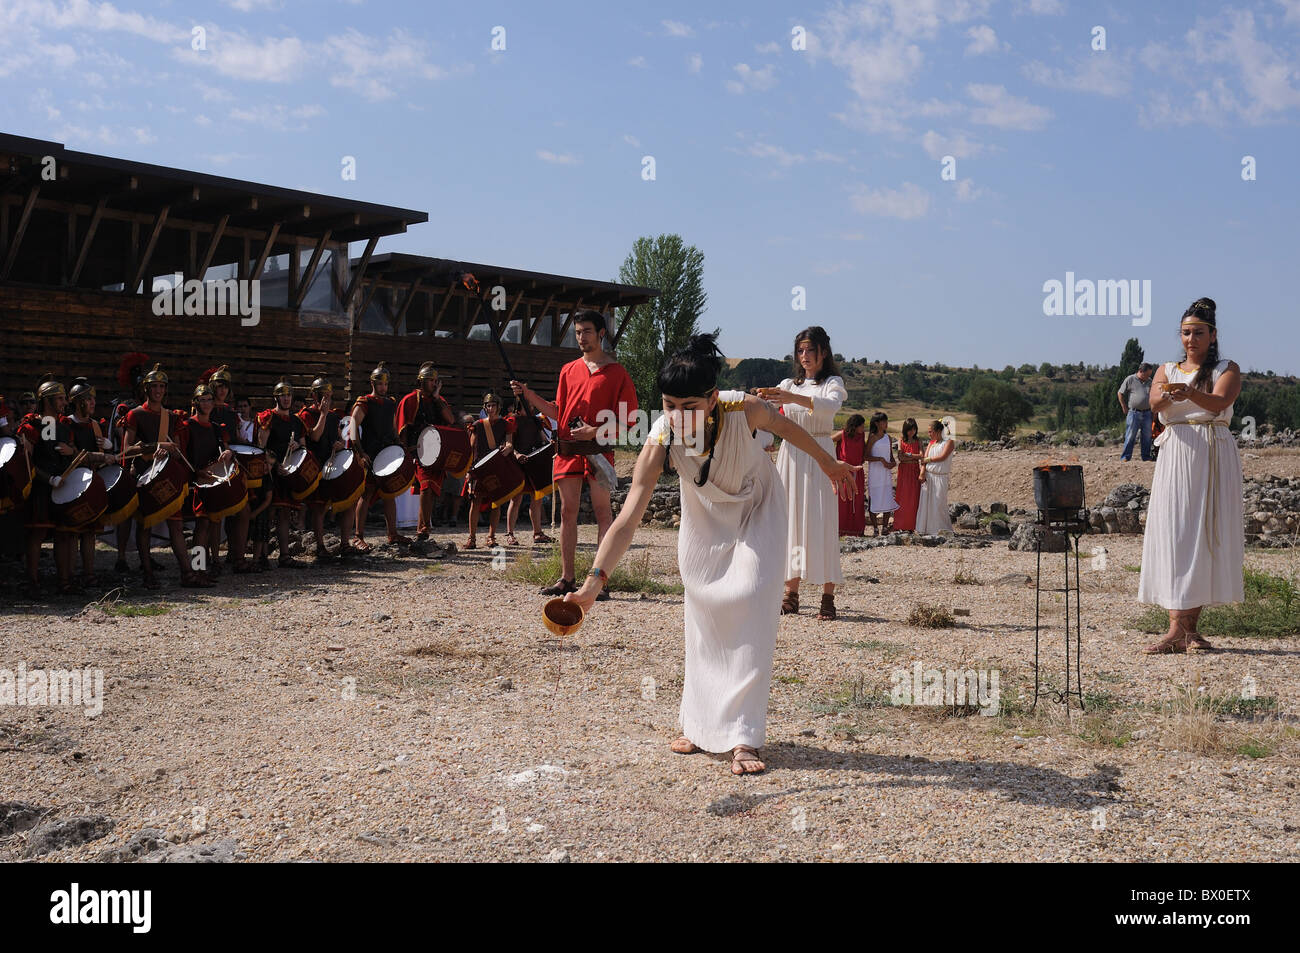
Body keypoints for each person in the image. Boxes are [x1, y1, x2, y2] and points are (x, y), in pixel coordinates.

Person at [566, 334, 856, 775]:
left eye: (689, 406)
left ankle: (743, 736)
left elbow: (788, 429)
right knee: (702, 614)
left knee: (755, 601)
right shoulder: (661, 436)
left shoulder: (744, 408)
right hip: (703, 518)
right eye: (668, 404)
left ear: (713, 398)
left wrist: (827, 463)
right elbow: (627, 519)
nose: (677, 416)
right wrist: (592, 584)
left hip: (758, 507)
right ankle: (699, 726)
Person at [1138, 298, 1243, 654]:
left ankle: (1190, 630)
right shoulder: (1167, 369)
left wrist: (1191, 394)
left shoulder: (1227, 367)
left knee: (1204, 532)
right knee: (1175, 533)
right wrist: (1173, 395)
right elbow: (1153, 403)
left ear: (1213, 335)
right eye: (1186, 332)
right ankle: (1175, 630)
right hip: (1177, 451)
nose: (1191, 339)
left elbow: (1219, 402)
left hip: (1212, 450)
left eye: (1199, 332)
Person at [510, 310, 638, 599]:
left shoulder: (616, 372)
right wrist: (528, 395)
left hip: (599, 451)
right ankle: (567, 579)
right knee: (568, 513)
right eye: (578, 332)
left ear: (601, 334)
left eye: (587, 331)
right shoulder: (568, 370)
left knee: (604, 514)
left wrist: (596, 430)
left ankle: (599, 582)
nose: (581, 337)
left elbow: (630, 418)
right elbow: (559, 412)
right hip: (568, 451)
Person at [755, 326, 847, 621]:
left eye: (810, 350)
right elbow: (771, 413)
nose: (804, 356)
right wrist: (764, 398)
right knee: (790, 520)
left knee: (822, 519)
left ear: (823, 352)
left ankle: (828, 596)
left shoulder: (832, 382)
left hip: (819, 453)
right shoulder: (789, 384)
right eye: (800, 350)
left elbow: (830, 407)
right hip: (791, 455)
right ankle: (790, 592)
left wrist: (790, 399)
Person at [123, 365, 210, 589]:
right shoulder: (135, 415)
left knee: (176, 525)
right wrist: (158, 446)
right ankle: (148, 573)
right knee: (145, 526)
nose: (158, 390)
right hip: (144, 473)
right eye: (154, 387)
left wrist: (168, 449)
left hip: (167, 474)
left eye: (162, 386)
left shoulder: (171, 417)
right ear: (146, 389)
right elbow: (127, 449)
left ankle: (188, 573)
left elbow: (177, 449)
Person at [17, 378, 77, 596]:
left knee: (63, 534)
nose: (64, 402)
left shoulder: (62, 426)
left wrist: (72, 453)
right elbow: (27, 461)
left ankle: (64, 582)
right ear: (48, 400)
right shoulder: (33, 424)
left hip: (62, 486)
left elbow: (72, 453)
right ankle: (32, 581)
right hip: (41, 487)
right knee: (37, 534)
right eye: (60, 398)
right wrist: (47, 478)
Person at [180, 383, 243, 581]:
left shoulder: (217, 428)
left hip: (213, 482)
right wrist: (197, 473)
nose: (206, 403)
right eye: (202, 400)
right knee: (202, 527)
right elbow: (182, 456)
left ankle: (202, 568)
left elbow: (226, 450)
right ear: (195, 402)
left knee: (207, 525)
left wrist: (228, 452)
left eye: (209, 399)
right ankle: (197, 569)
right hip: (197, 482)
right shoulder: (187, 426)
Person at [63, 378, 116, 588]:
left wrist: (109, 450)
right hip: (72, 482)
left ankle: (89, 573)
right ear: (77, 402)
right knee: (71, 532)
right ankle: (68, 576)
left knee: (90, 532)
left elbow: (102, 457)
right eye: (88, 399)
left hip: (92, 481)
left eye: (93, 398)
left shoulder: (95, 425)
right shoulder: (66, 424)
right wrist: (101, 456)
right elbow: (72, 455)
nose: (93, 403)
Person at [396, 362, 457, 542]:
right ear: (421, 381)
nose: (433, 383)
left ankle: (424, 528)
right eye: (430, 380)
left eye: (435, 381)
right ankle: (422, 529)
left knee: (432, 490)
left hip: (436, 452)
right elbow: (403, 429)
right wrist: (405, 452)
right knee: (426, 487)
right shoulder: (410, 400)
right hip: (417, 451)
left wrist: (437, 397)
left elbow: (450, 420)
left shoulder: (439, 401)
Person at [351, 362, 408, 550]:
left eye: (386, 384)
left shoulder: (391, 402)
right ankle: (358, 536)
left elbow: (392, 428)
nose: (383, 387)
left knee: (389, 493)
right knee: (366, 494)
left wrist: (399, 443)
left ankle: (392, 534)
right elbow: (353, 427)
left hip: (387, 453)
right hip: (370, 453)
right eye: (380, 384)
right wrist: (360, 452)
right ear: (373, 383)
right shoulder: (365, 402)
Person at [300, 377, 356, 562]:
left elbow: (339, 438)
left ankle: (345, 544)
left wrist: (339, 444)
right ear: (314, 396)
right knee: (320, 508)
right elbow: (315, 436)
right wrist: (322, 414)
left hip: (333, 464)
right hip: (316, 467)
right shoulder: (306, 414)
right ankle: (320, 546)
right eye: (322, 396)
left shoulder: (334, 416)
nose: (326, 399)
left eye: (328, 396)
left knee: (349, 501)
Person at [257, 377, 310, 570]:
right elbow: (261, 447)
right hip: (271, 472)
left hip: (288, 473)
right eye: (282, 395)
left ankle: (285, 555)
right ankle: (261, 555)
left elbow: (304, 448)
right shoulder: (269, 417)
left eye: (289, 395)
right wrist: (273, 464)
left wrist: (297, 446)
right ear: (276, 397)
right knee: (267, 513)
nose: (286, 399)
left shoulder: (297, 421)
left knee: (285, 513)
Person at [463, 393, 516, 550]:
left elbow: (509, 442)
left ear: (499, 407)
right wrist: (469, 470)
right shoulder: (478, 425)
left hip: (496, 467)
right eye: (488, 405)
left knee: (496, 502)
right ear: (484, 407)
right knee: (476, 502)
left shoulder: (505, 424)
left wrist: (508, 448)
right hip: (479, 467)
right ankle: (471, 538)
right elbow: (471, 448)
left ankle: (491, 537)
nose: (490, 408)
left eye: (493, 405)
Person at [504, 397, 555, 546]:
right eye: (528, 405)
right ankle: (510, 534)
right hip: (518, 463)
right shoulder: (512, 421)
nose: (531, 408)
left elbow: (543, 439)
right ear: (519, 408)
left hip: (534, 462)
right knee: (516, 499)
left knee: (537, 498)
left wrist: (549, 443)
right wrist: (517, 455)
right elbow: (508, 444)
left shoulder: (536, 421)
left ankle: (537, 533)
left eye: (532, 405)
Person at [915, 420, 955, 535]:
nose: (929, 434)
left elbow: (943, 456)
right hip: (929, 476)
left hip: (940, 477)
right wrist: (922, 473)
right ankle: (926, 529)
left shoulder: (949, 442)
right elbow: (924, 459)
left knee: (938, 503)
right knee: (926, 503)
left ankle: (941, 529)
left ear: (938, 431)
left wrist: (929, 459)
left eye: (930, 432)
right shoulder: (932, 443)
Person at [832, 414, 867, 537]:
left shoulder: (861, 436)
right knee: (843, 500)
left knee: (857, 500)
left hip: (857, 472)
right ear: (855, 426)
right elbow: (828, 440)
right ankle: (842, 529)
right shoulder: (842, 434)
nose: (863, 428)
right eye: (861, 426)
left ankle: (856, 529)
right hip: (844, 471)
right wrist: (834, 460)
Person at [864, 411, 898, 536]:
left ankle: (884, 528)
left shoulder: (888, 438)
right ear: (877, 423)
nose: (886, 424)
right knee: (874, 500)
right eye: (884, 421)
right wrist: (880, 459)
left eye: (887, 421)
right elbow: (866, 456)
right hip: (875, 475)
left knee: (887, 499)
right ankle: (875, 528)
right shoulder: (872, 437)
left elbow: (890, 457)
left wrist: (892, 463)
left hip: (886, 475)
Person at [1118, 363, 1155, 462]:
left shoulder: (1150, 381)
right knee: (1130, 435)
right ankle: (1126, 457)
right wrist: (1124, 406)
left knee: (1147, 436)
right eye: (1147, 374)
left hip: (1147, 413)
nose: (1148, 377)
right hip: (1134, 412)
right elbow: (1120, 393)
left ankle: (1146, 457)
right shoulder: (1130, 379)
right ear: (1141, 371)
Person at [894, 418, 922, 532]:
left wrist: (908, 454)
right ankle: (901, 524)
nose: (912, 432)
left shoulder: (918, 440)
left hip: (915, 470)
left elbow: (921, 455)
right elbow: (900, 457)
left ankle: (913, 524)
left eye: (914, 429)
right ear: (905, 430)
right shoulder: (901, 440)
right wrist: (913, 456)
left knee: (915, 496)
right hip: (904, 471)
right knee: (903, 496)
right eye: (909, 430)